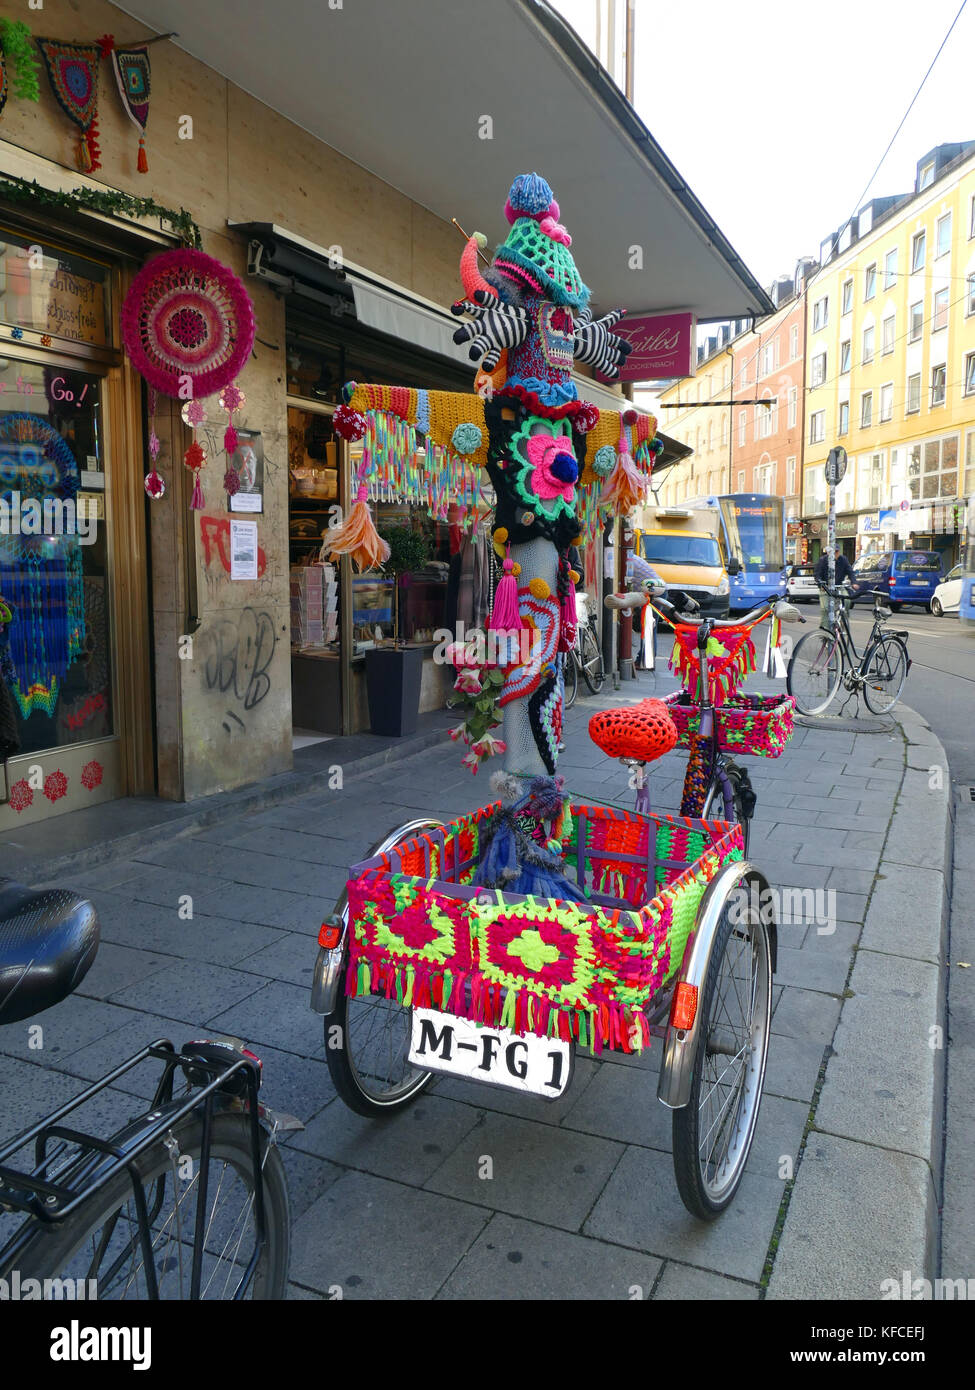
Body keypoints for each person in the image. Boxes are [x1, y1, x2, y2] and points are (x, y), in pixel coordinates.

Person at [814, 546, 855, 627]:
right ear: (828, 553)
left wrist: (854, 582)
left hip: (839, 586)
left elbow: (850, 572)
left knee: (846, 600)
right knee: (825, 609)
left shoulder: (843, 560)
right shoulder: (823, 560)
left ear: (839, 552)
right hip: (826, 588)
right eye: (832, 552)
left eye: (836, 552)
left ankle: (844, 617)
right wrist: (821, 584)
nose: (835, 554)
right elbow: (817, 575)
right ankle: (825, 630)